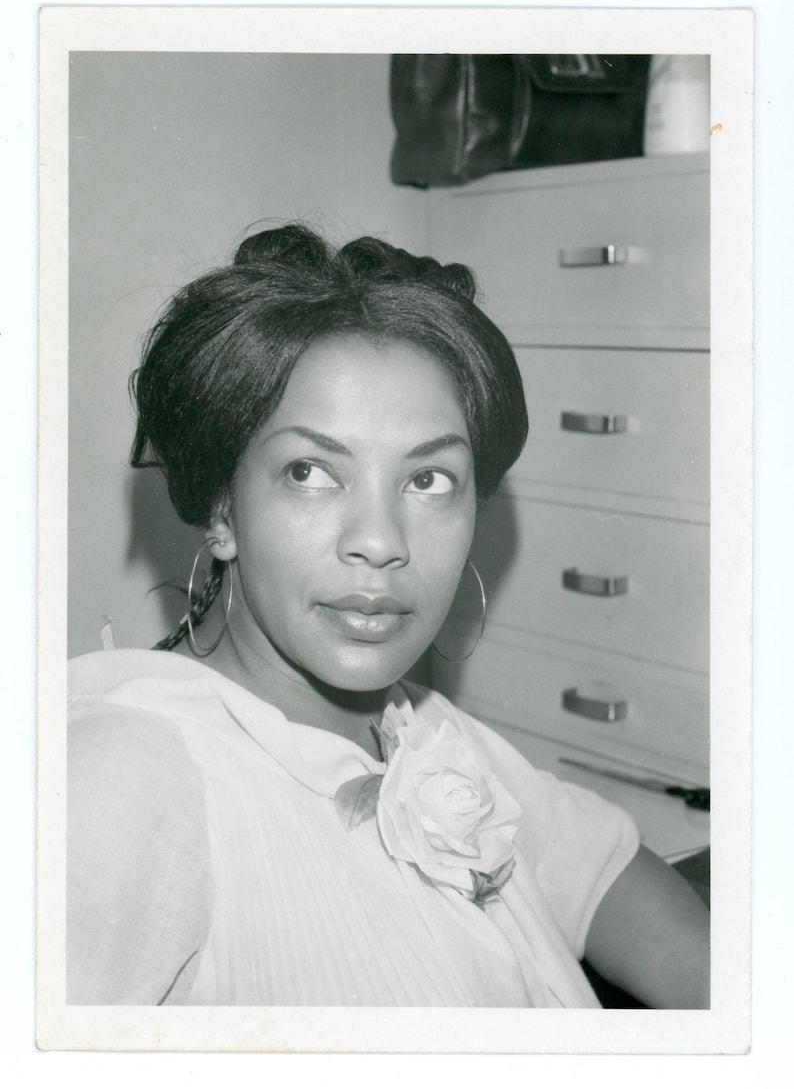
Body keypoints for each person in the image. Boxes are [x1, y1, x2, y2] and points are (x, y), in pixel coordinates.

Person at [67, 224, 709, 1008]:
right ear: (222, 511)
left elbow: (606, 875)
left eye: (430, 480)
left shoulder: (419, 731)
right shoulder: (124, 771)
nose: (379, 543)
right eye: (310, 472)